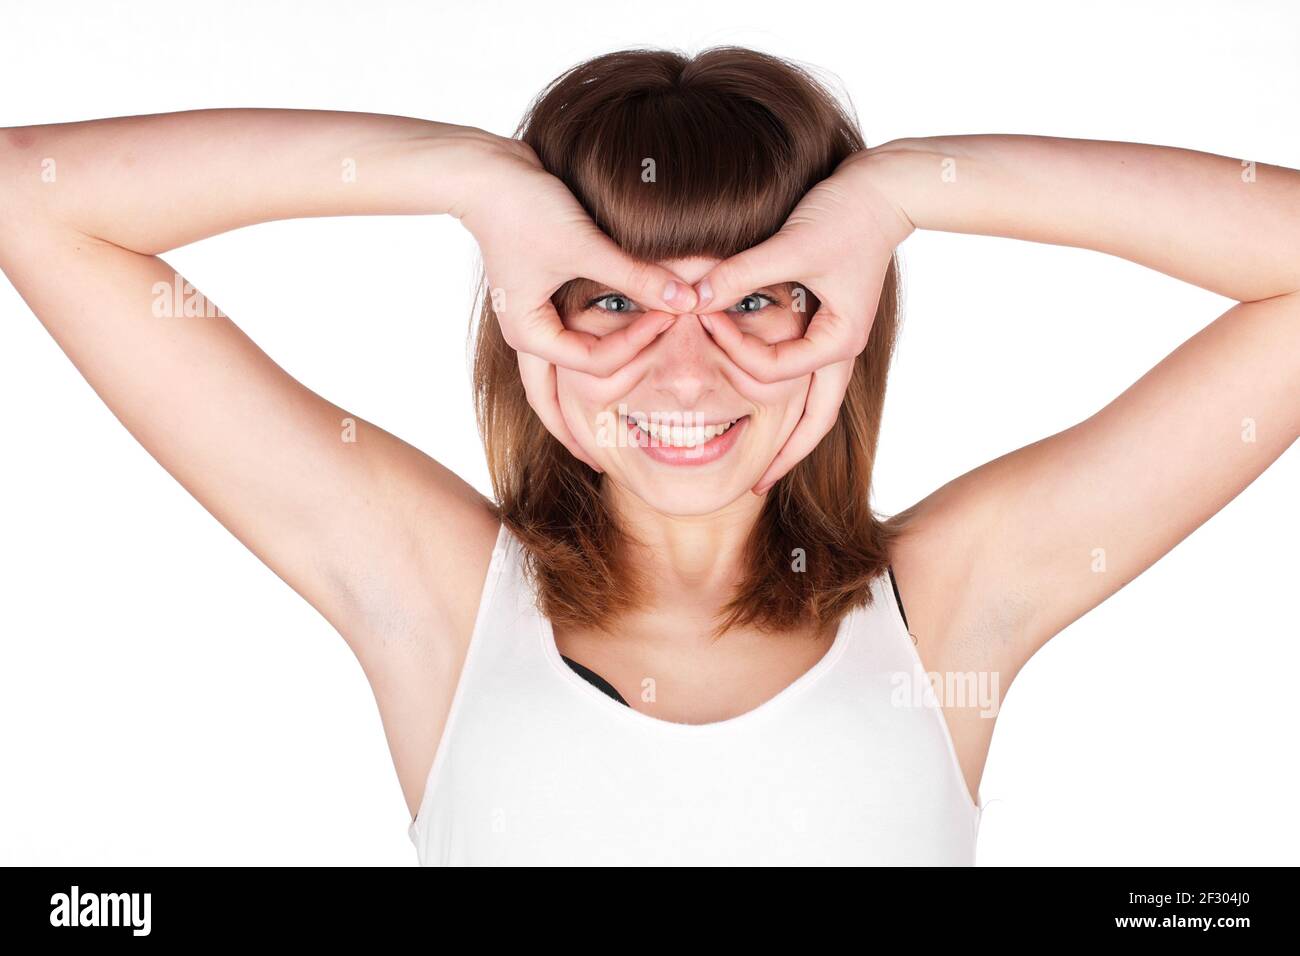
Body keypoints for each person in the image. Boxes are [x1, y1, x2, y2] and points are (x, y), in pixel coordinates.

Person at [1, 47, 1296, 866]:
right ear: (526, 319)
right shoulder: (444, 603)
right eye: (608, 301)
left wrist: (907, 192)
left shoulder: (949, 608)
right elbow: (33, 198)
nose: (688, 374)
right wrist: (473, 181)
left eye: (764, 298)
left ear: (844, 320)